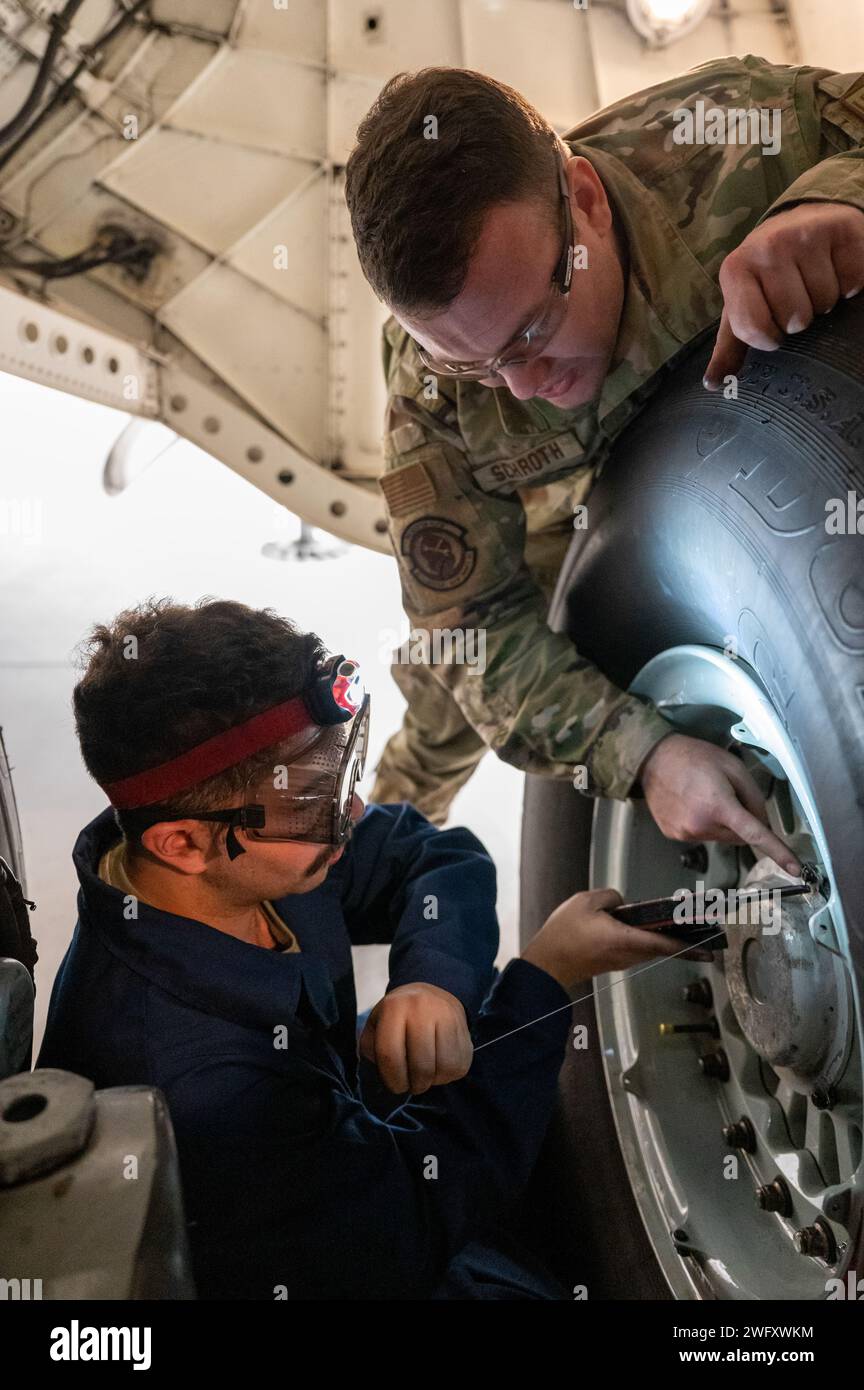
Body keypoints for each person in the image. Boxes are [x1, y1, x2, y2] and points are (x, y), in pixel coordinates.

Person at [36, 597, 682, 1300]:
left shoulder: (233, 848)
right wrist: (547, 980)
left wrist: (432, 981)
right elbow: (409, 1223)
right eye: (314, 797)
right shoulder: (199, 1087)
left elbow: (427, 856)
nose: (350, 812)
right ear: (184, 844)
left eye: (336, 773)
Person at [344, 54, 864, 862]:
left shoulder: (746, 133)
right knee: (444, 690)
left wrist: (843, 199)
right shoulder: (432, 393)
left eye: (527, 333)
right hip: (574, 514)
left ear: (584, 200)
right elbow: (473, 628)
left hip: (783, 425)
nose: (519, 388)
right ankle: (382, 843)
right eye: (471, 364)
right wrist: (643, 752)